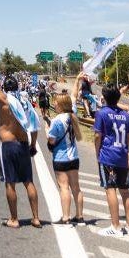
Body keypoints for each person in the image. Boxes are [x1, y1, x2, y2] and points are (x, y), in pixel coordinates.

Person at [0, 49, 42, 229]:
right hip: (24, 144)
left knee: (10, 183)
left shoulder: (4, 99)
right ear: (18, 87)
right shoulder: (26, 103)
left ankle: (14, 219)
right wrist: (33, 144)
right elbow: (34, 126)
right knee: (28, 181)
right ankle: (36, 218)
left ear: (5, 86)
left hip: (8, 145)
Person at [93, 86, 129, 237]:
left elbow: (98, 136)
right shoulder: (126, 115)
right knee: (125, 191)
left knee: (110, 189)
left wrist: (97, 153)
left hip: (108, 155)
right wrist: (125, 149)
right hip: (122, 155)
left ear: (104, 97)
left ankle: (115, 225)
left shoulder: (102, 113)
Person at [48, 92, 84, 224]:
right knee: (76, 188)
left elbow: (51, 141)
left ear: (61, 104)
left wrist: (47, 130)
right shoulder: (72, 115)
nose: (54, 104)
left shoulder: (56, 120)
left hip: (60, 157)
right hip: (74, 157)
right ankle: (80, 216)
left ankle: (66, 217)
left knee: (64, 188)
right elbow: (74, 96)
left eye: (56, 102)